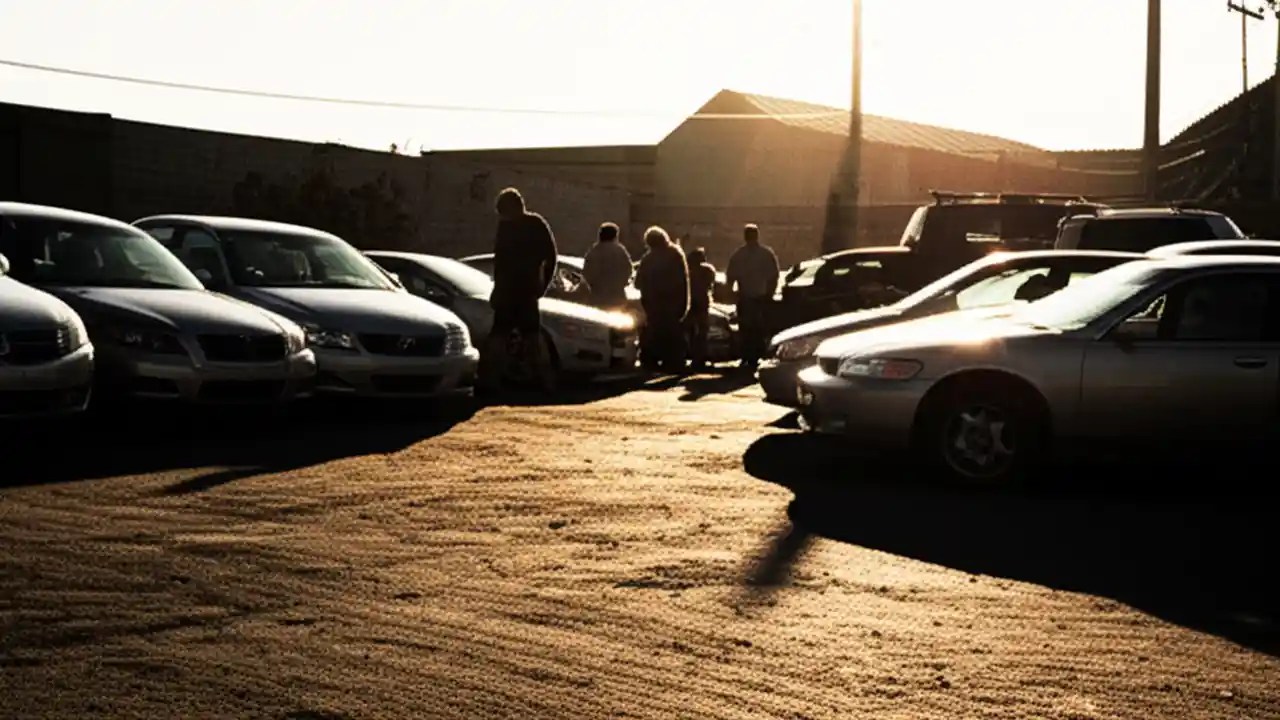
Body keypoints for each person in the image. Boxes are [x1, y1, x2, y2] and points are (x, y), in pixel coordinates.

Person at [479, 187, 558, 393]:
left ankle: (532, 378)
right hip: (518, 289)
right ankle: (532, 379)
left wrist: (543, 284)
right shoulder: (518, 225)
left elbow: (550, 257)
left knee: (517, 335)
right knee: (520, 335)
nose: (504, 218)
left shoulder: (529, 225)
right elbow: (549, 256)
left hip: (519, 289)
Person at [634, 226, 690, 372]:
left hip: (654, 305)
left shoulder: (648, 259)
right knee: (672, 336)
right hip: (673, 304)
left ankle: (652, 360)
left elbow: (638, 283)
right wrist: (684, 304)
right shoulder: (676, 254)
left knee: (654, 334)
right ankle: (673, 362)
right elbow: (683, 281)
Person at [726, 223, 780, 371]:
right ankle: (755, 356)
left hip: (746, 296)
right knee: (757, 328)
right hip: (759, 297)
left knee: (746, 329)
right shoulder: (766, 254)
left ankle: (747, 356)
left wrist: (731, 293)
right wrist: (770, 293)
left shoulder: (739, 255)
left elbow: (730, 277)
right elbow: (774, 276)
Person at [582, 222, 633, 311]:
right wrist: (622, 283)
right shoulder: (620, 251)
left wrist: (593, 286)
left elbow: (588, 272)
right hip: (617, 296)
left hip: (598, 296)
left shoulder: (595, 251)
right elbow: (628, 270)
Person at [685, 247, 717, 371]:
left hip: (690, 303)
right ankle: (700, 358)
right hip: (703, 302)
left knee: (690, 331)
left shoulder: (688, 272)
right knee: (702, 331)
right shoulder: (708, 270)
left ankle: (692, 356)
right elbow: (711, 285)